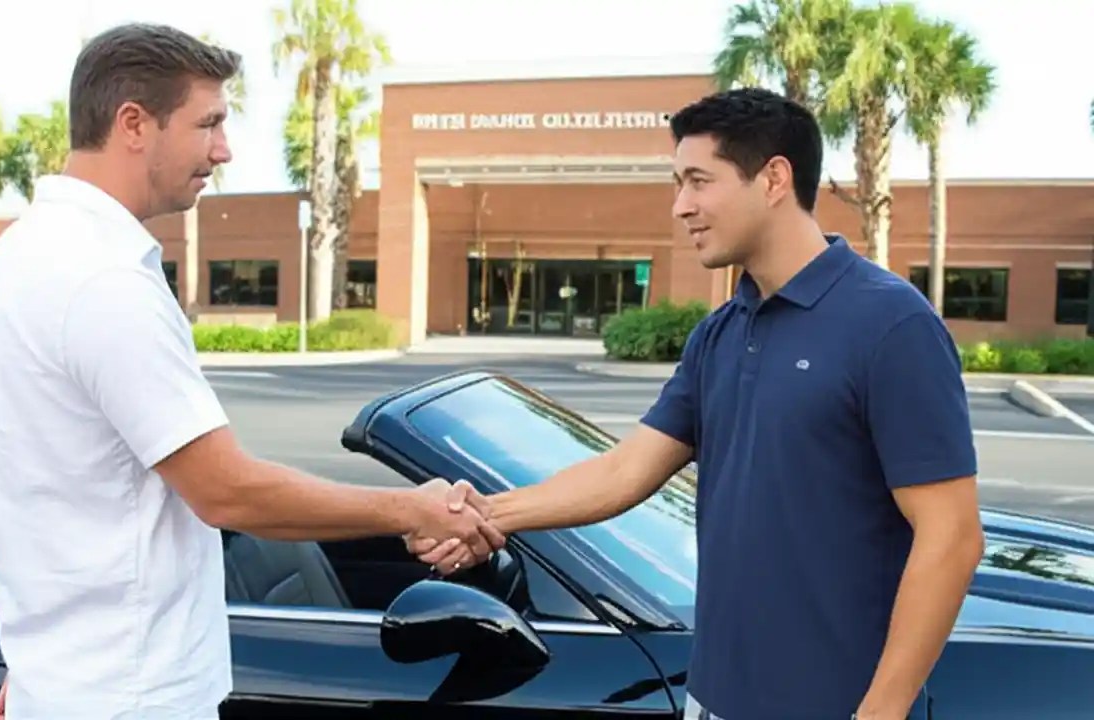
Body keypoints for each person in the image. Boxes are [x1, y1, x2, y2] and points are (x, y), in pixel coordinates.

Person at [0, 23, 501, 720]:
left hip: (62, 692)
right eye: (208, 122)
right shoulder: (105, 282)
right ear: (133, 125)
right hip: (134, 699)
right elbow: (225, 492)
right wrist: (410, 509)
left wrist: (42, 661)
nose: (224, 148)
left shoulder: (12, 259)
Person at [410, 87, 984, 720]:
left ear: (773, 179)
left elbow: (952, 536)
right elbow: (624, 471)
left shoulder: (889, 324)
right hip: (713, 699)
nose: (680, 206)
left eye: (698, 181)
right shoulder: (720, 332)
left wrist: (881, 711)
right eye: (677, 183)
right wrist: (490, 513)